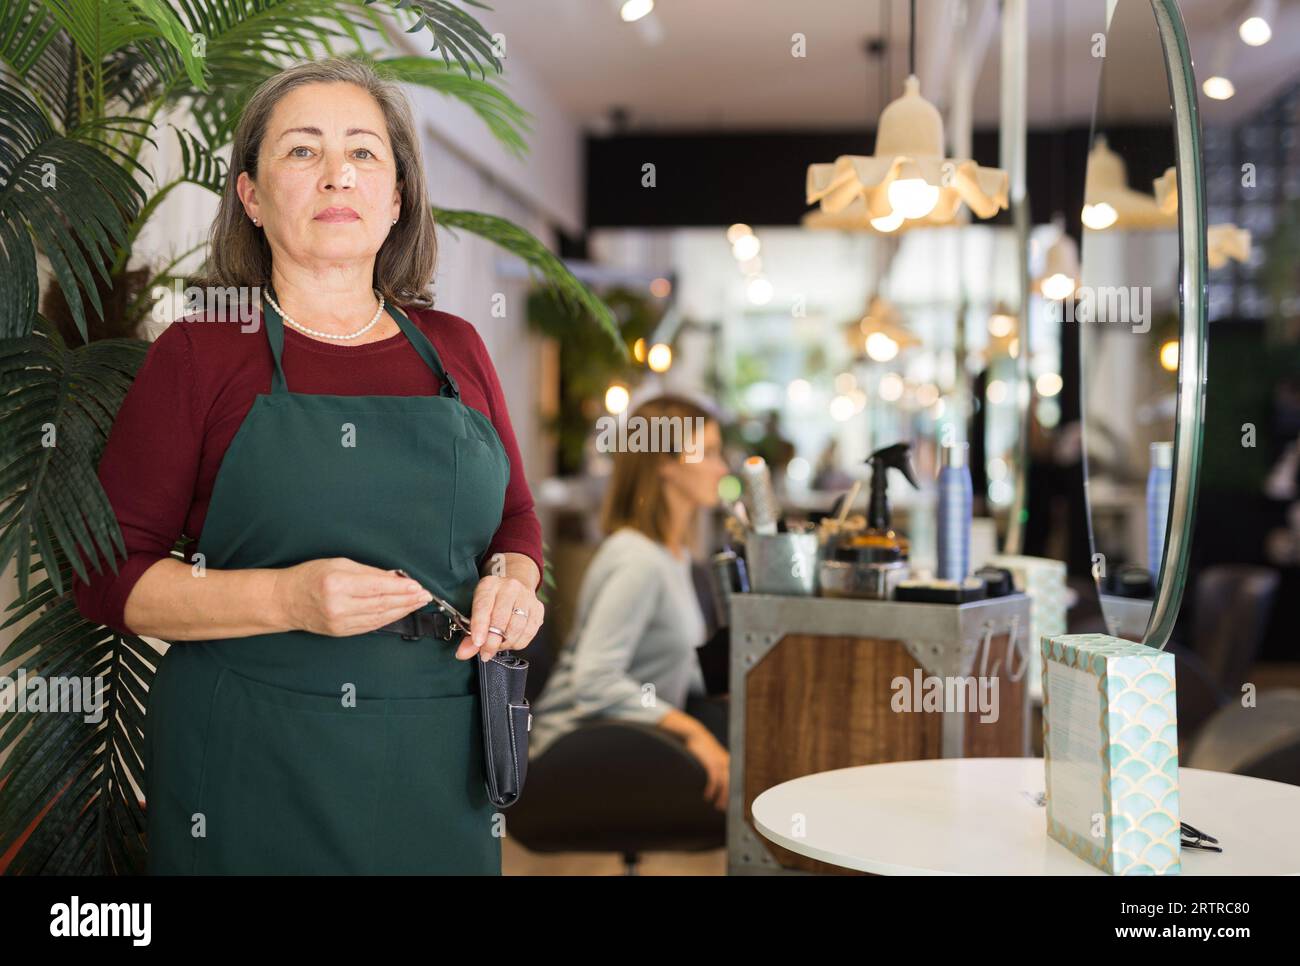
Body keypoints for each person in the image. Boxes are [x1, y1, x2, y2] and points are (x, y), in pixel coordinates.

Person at [71, 58, 544, 875]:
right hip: (254, 760)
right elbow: (106, 578)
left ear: (396, 199)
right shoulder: (201, 352)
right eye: (301, 151)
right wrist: (286, 596)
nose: (337, 174)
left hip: (441, 761)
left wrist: (516, 583)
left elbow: (515, 523)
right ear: (251, 196)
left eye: (364, 153)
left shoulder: (458, 346)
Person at [529, 395, 732, 811]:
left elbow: (677, 665)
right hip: (576, 748)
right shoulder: (637, 560)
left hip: (631, 739)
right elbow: (595, 680)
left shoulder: (672, 556)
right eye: (708, 453)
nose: (722, 468)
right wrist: (692, 731)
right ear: (664, 464)